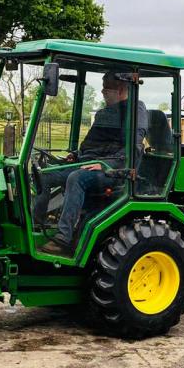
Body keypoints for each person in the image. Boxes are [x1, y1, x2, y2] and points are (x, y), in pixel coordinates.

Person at [35, 73, 147, 255]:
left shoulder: (135, 113)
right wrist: (76, 155)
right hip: (90, 164)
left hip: (115, 171)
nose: (102, 92)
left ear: (120, 90)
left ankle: (63, 238)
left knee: (76, 178)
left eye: (106, 89)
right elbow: (91, 144)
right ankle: (36, 224)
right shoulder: (105, 114)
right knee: (44, 175)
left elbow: (133, 149)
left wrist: (105, 164)